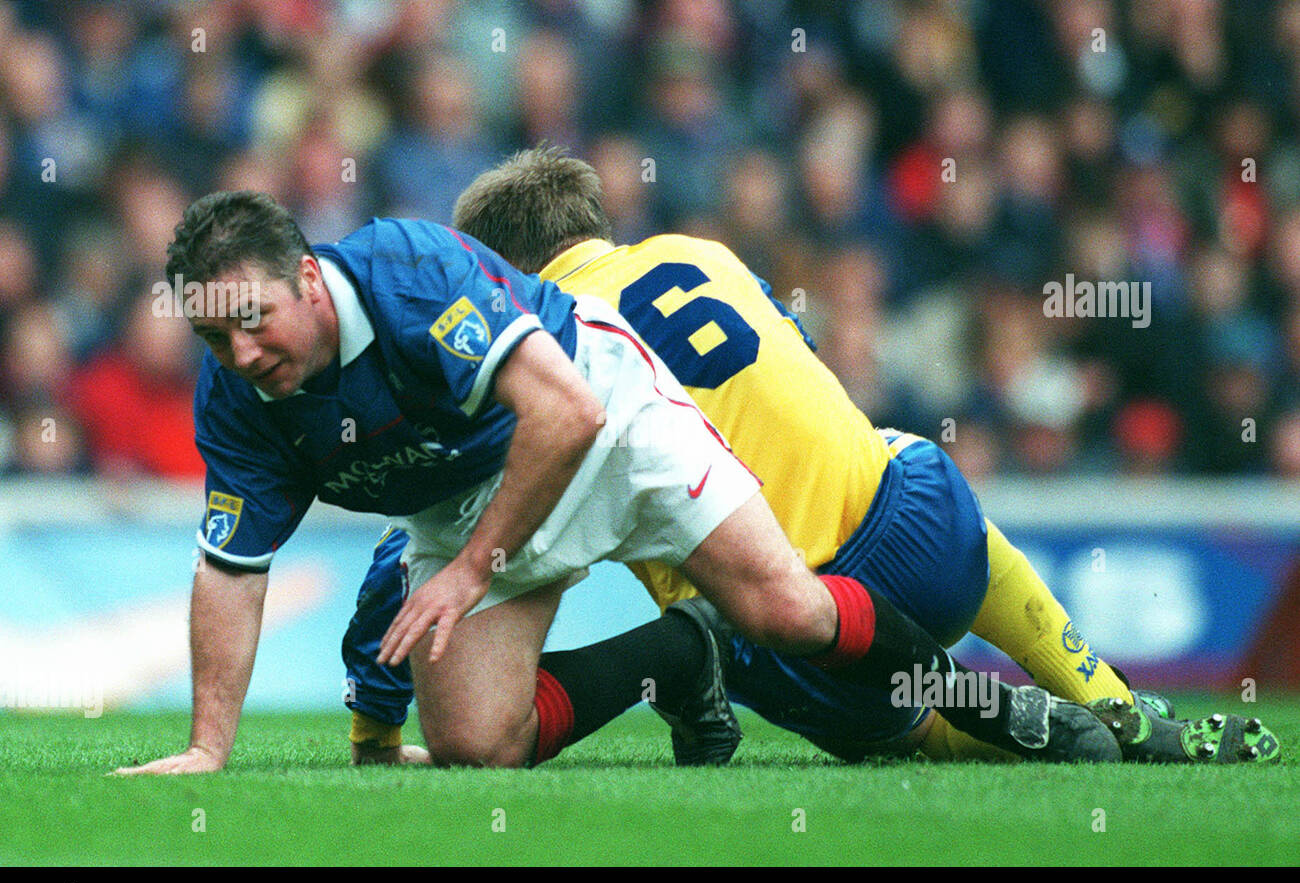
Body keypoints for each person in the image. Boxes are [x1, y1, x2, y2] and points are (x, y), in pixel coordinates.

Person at [341, 146, 1278, 768]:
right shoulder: (700, 251)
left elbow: (422, 547)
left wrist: (376, 714)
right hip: (927, 534)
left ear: (496, 266)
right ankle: (1112, 700)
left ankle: (1011, 734)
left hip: (801, 627)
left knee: (802, 665)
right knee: (898, 451)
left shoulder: (534, 361)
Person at [117, 190, 1106, 776]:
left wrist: (465, 573)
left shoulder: (407, 269)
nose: (239, 352)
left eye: (252, 318)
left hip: (602, 410)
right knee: (476, 748)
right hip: (471, 499)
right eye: (213, 335)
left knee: (789, 613)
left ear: (302, 275)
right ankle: (674, 657)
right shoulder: (238, 396)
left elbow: (566, 415)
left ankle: (994, 705)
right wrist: (209, 747)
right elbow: (232, 568)